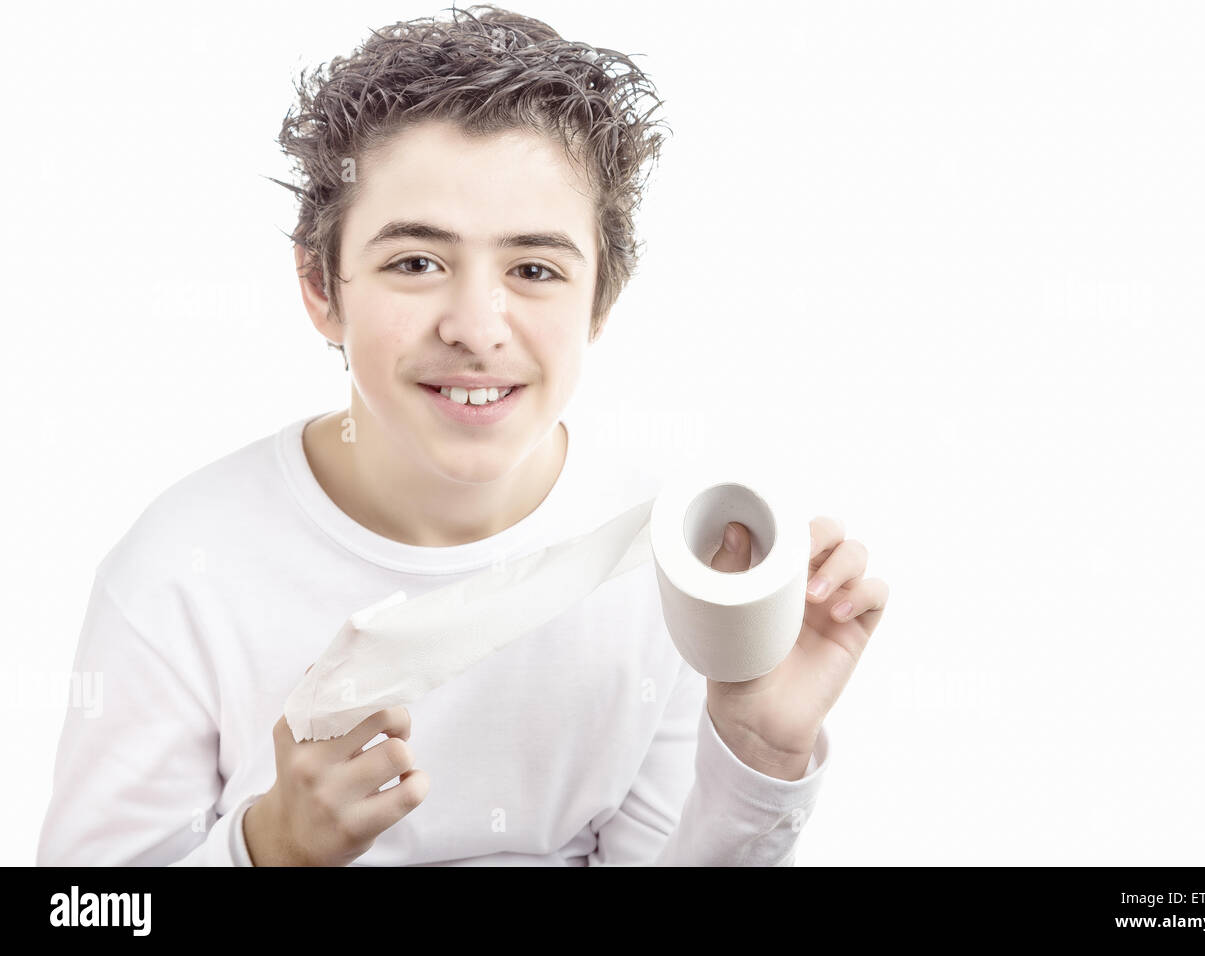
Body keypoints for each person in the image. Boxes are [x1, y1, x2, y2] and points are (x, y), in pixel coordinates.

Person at [37, 4, 889, 867]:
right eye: (417, 262)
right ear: (320, 284)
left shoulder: (668, 561)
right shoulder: (182, 570)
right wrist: (268, 850)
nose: (477, 328)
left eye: (533, 270)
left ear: (600, 301)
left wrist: (759, 755)